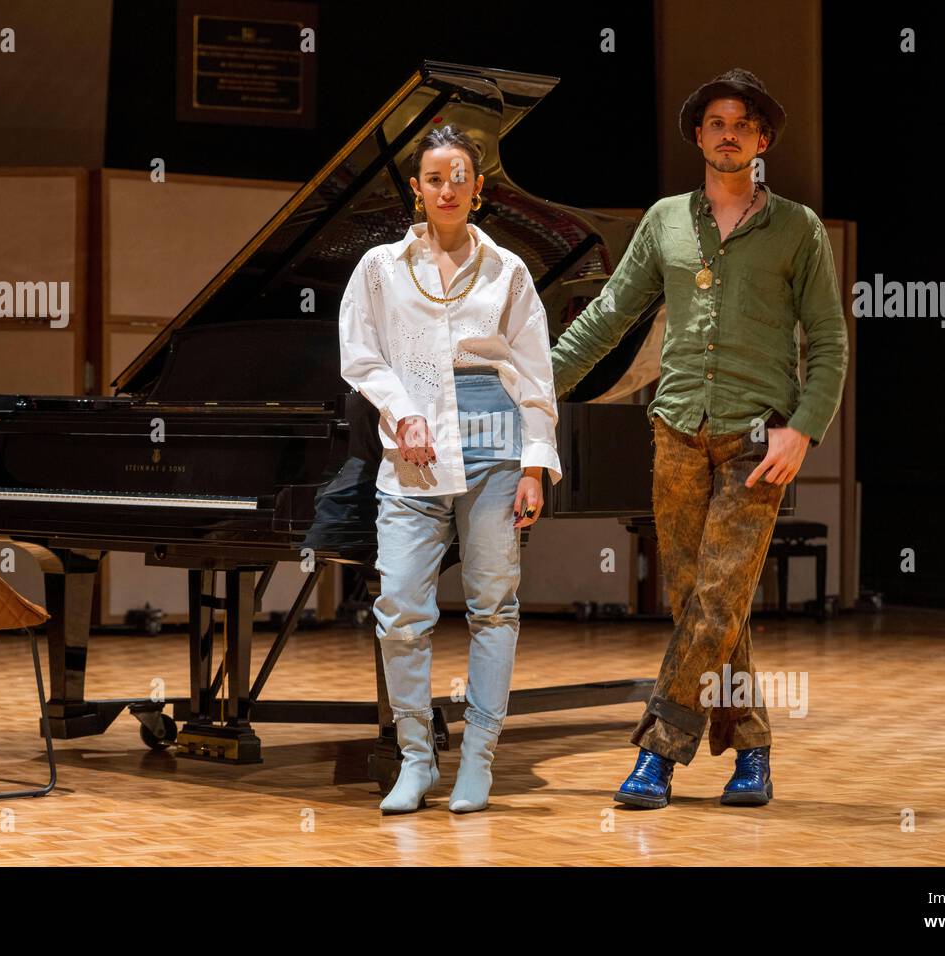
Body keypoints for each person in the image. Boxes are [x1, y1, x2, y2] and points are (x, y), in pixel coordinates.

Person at [550, 68, 848, 808]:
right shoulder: (665, 221)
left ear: (761, 139)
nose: (727, 133)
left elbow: (832, 342)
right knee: (703, 604)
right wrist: (537, 382)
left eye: (741, 123)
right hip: (678, 431)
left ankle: (660, 752)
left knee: (716, 596)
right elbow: (610, 316)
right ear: (698, 137)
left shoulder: (798, 228)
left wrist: (803, 431)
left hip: (759, 442)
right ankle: (751, 749)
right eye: (715, 122)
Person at [339, 125, 563, 814]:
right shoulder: (379, 266)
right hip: (414, 449)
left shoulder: (508, 271)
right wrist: (401, 411)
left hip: (496, 442)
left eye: (457, 178)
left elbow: (533, 373)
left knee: (494, 606)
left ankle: (479, 761)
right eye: (433, 178)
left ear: (478, 188)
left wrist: (535, 464)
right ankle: (415, 759)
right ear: (416, 187)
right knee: (400, 608)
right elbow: (360, 354)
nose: (446, 189)